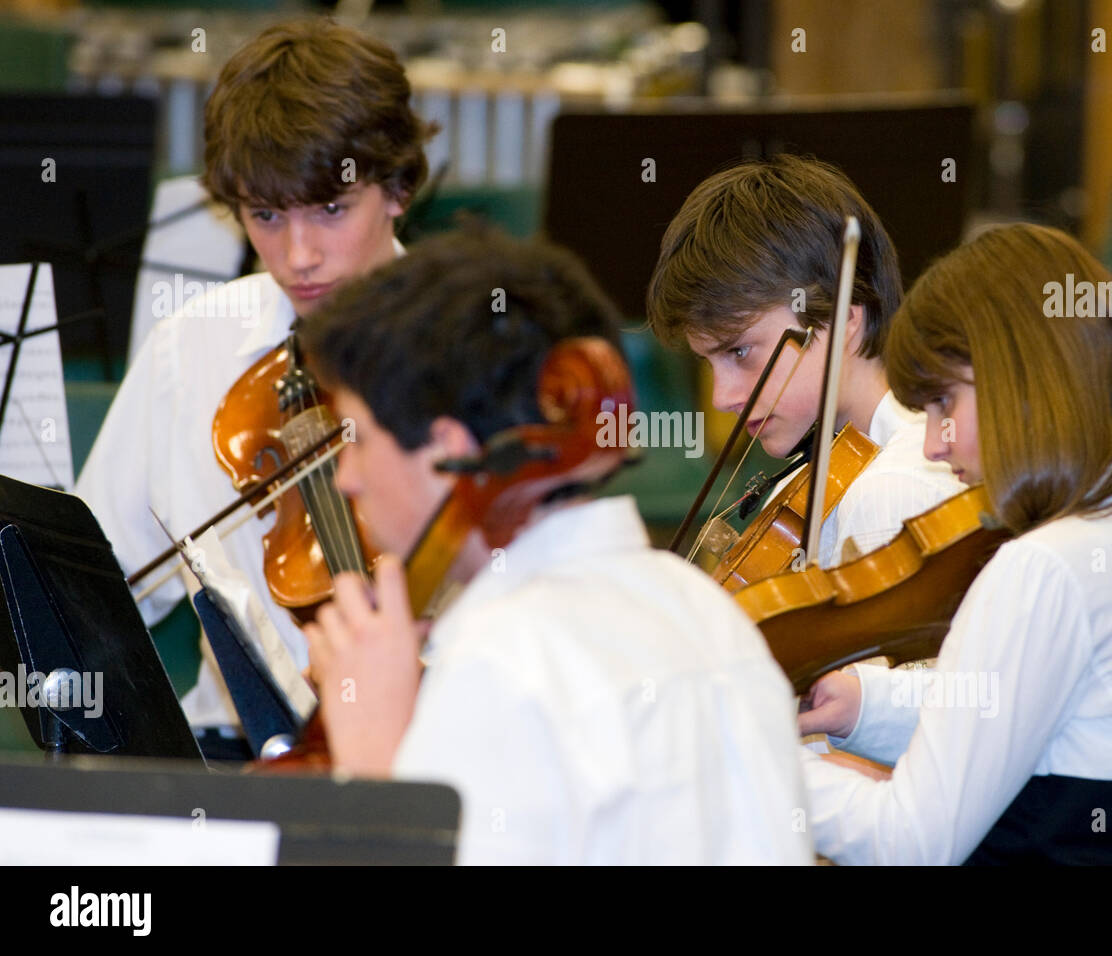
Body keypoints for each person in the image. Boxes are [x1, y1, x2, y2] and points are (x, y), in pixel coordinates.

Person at [296, 227, 813, 865]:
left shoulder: (499, 658)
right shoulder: (700, 606)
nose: (345, 476)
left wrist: (375, 773)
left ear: (448, 454)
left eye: (359, 437)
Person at [798, 223, 1112, 864]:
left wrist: (761, 768)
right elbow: (1053, 717)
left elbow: (909, 841)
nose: (934, 442)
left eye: (944, 402)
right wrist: (863, 704)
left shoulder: (1047, 568)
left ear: (1023, 384)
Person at [74, 18, 434, 747]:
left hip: (436, 751)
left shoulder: (475, 352)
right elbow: (101, 589)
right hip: (242, 756)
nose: (298, 255)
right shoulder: (191, 349)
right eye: (265, 216)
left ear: (396, 189)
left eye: (331, 210)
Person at [645, 154, 966, 572]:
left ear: (844, 317)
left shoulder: (896, 493)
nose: (723, 398)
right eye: (708, 363)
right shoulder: (811, 487)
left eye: (739, 352)